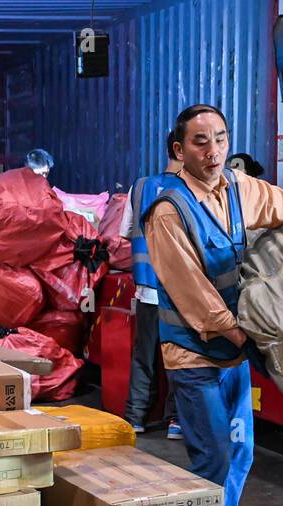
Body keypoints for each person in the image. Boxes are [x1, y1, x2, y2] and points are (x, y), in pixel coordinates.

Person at [145, 104, 283, 506]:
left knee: (241, 450)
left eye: (220, 138)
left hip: (233, 351)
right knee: (213, 452)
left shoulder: (237, 189)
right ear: (179, 150)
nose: (213, 150)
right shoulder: (168, 213)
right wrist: (248, 341)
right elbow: (194, 296)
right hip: (194, 353)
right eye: (200, 141)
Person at [123, 130, 183, 435]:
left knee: (143, 356)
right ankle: (176, 421)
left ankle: (134, 418)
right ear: (182, 149)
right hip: (180, 293)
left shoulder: (140, 186)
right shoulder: (191, 189)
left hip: (147, 290)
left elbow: (127, 231)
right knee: (180, 357)